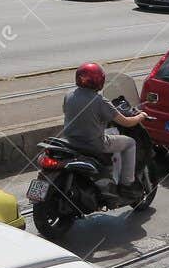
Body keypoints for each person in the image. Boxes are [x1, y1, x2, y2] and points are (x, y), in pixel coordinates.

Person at [59, 62, 150, 204]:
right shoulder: (100, 101)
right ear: (99, 81)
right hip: (94, 144)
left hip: (69, 142)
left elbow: (68, 112)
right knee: (130, 143)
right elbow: (127, 122)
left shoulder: (69, 95)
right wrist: (141, 116)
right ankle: (127, 184)